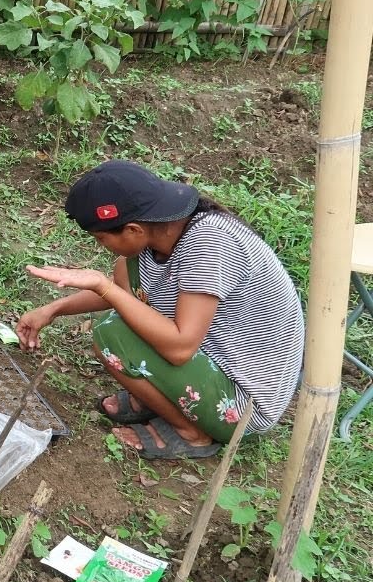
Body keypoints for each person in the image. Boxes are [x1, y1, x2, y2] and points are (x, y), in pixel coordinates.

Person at [16, 159, 303, 460]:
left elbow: (179, 348)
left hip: (244, 400)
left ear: (133, 229)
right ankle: (165, 400)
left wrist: (104, 287)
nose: (101, 246)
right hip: (211, 358)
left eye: (102, 238)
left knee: (113, 333)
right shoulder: (159, 234)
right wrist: (53, 309)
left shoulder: (209, 243)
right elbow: (123, 291)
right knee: (123, 301)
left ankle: (194, 434)